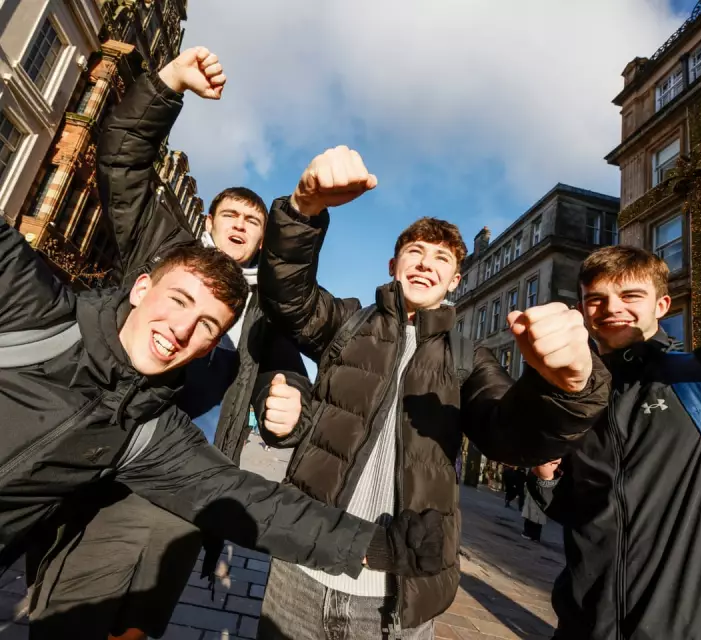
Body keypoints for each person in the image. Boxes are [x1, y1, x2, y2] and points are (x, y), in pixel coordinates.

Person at [0, 217, 445, 639]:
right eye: (178, 300)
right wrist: (304, 211)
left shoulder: (147, 431)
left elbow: (254, 501)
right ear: (141, 288)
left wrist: (376, 544)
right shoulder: (37, 316)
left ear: (211, 346)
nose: (180, 329)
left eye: (206, 326)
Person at [255, 145, 612, 639]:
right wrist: (302, 210)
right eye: (414, 253)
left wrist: (570, 388)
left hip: (397, 589)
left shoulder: (468, 358)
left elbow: (512, 436)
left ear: (456, 279)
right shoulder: (347, 322)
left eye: (440, 259)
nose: (425, 264)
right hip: (302, 565)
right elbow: (286, 295)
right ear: (393, 264)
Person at [21, 47, 312, 640]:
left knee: (138, 626)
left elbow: (287, 374)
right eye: (230, 214)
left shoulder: (265, 313)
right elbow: (122, 162)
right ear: (209, 222)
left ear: (260, 241)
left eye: (252, 223)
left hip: (184, 483)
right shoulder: (161, 246)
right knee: (65, 609)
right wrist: (165, 85)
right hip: (101, 462)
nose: (238, 226)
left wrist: (291, 408)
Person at [528, 94, 701, 639]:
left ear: (662, 305)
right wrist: (543, 476)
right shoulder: (579, 396)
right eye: (596, 299)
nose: (611, 309)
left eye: (630, 295)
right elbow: (584, 513)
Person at [521, 462, 560, 542]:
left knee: (532, 514)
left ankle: (529, 533)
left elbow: (530, 478)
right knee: (537, 515)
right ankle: (535, 535)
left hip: (538, 491)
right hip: (543, 492)